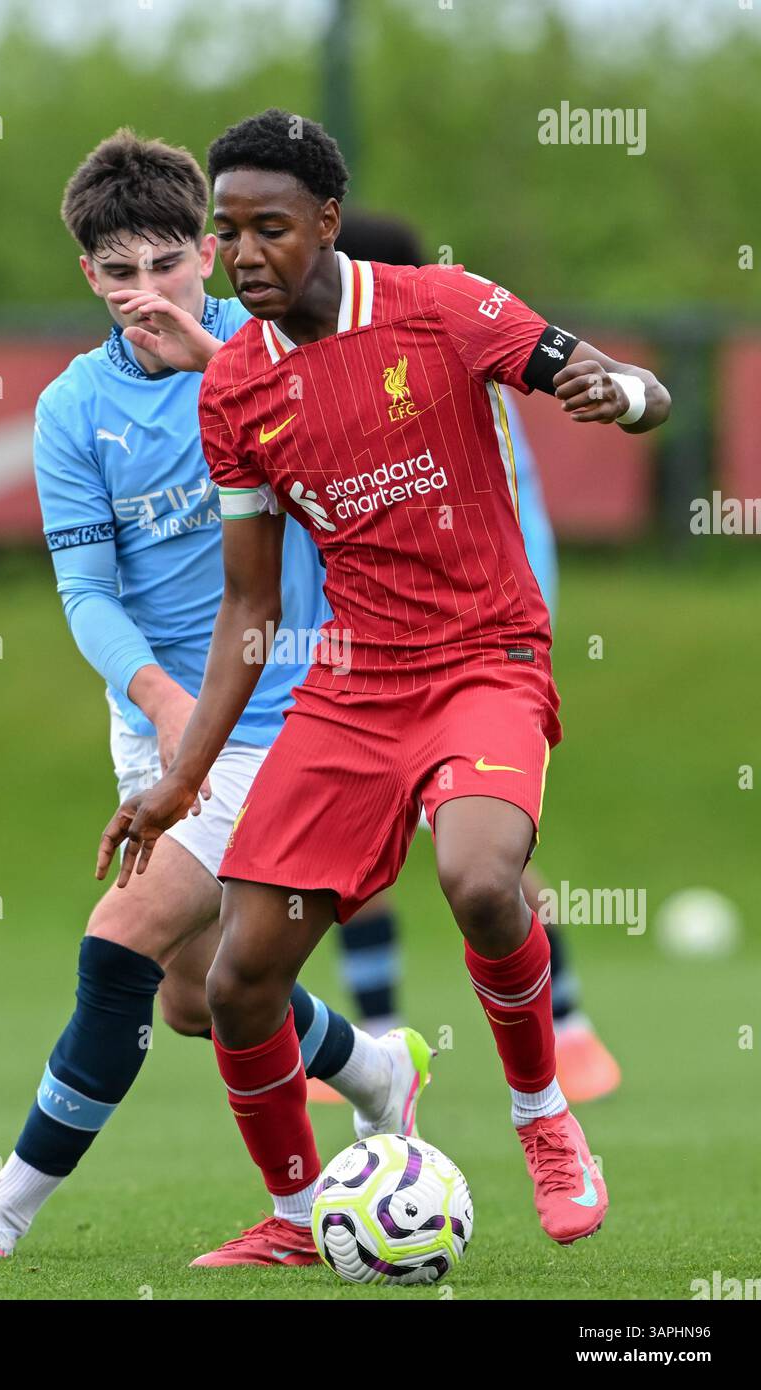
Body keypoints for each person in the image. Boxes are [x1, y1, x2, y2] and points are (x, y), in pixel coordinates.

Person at [101, 109, 671, 1253]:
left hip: (484, 658)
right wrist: (183, 779)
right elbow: (249, 608)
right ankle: (294, 1214)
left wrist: (627, 396)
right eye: (229, 231)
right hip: (353, 686)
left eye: (270, 228)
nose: (245, 253)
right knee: (236, 982)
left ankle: (542, 1114)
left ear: (327, 221)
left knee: (479, 879)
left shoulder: (443, 306)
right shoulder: (234, 389)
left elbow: (626, 382)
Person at [0, 129, 431, 1266]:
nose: (144, 290)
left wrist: (219, 367)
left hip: (285, 710)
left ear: (204, 252)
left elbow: (359, 461)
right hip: (160, 717)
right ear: (87, 275)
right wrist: (156, 700)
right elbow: (87, 590)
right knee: (196, 998)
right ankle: (375, 1068)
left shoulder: (281, 350)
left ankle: (3, 1212)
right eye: (117, 271)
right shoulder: (71, 408)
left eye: (164, 263)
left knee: (119, 944)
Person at [319, 210, 620, 1109]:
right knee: (349, 851)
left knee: (490, 856)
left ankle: (569, 1031)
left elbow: (520, 528)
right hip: (362, 656)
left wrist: (518, 654)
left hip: (481, 655)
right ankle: (378, 1037)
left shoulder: (459, 379)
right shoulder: (329, 390)